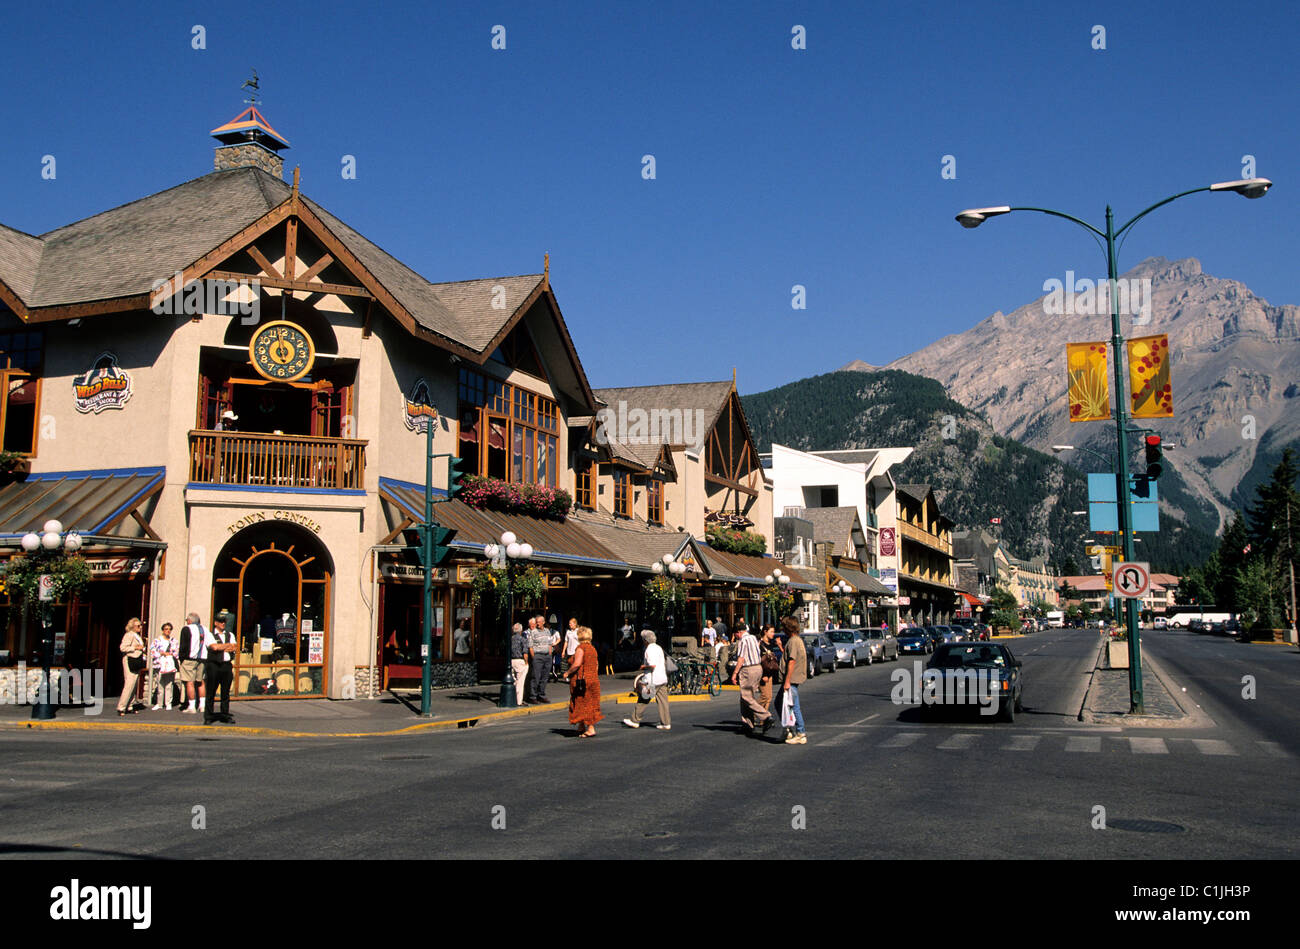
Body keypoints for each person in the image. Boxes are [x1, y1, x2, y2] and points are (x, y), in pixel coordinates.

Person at [623, 630, 670, 730]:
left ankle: (634, 720)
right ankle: (666, 723)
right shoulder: (658, 647)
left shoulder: (649, 649)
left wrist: (643, 667)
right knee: (663, 702)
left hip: (653, 679)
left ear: (645, 640)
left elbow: (652, 665)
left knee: (643, 699)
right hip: (662, 678)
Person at [731, 621, 771, 734]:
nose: (735, 636)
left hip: (748, 669)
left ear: (739, 632)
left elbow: (741, 659)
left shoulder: (743, 641)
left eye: (735, 634)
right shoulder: (753, 638)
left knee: (746, 697)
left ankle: (766, 717)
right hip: (758, 668)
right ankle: (747, 723)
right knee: (745, 697)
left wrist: (735, 673)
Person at [564, 626, 603, 737]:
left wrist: (567, 672)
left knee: (582, 703)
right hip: (593, 680)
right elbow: (596, 665)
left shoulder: (581, 648)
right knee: (589, 703)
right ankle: (581, 726)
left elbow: (577, 664)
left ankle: (590, 728)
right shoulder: (593, 649)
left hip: (582, 681)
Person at [203, 612, 239, 725]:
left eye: (224, 622)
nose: (223, 623)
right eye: (220, 621)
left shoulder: (230, 635)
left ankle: (225, 715)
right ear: (215, 623)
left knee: (225, 692)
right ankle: (208, 716)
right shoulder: (210, 635)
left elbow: (235, 647)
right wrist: (226, 646)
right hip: (214, 665)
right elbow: (213, 647)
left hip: (226, 666)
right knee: (211, 692)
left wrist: (222, 647)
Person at [781, 616, 808, 744]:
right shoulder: (797, 640)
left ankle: (800, 732)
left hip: (792, 679)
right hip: (794, 678)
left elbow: (791, 661)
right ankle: (788, 729)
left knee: (794, 705)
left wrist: (787, 681)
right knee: (781, 703)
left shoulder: (793, 641)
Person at [176, 612, 208, 713]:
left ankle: (191, 706)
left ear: (189, 620)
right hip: (202, 659)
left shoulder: (187, 629)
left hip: (189, 659)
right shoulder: (205, 629)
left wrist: (181, 659)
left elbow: (184, 645)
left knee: (189, 683)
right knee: (201, 682)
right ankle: (202, 705)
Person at [116, 617, 146, 716]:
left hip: (136, 660)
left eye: (140, 625)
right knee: (129, 684)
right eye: (138, 626)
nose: (140, 627)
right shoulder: (129, 635)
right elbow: (123, 647)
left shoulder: (136, 635)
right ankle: (121, 707)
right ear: (132, 626)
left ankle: (130, 705)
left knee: (134, 685)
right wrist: (135, 647)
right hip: (130, 660)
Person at [150, 622, 178, 710]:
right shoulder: (157, 640)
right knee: (160, 684)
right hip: (160, 665)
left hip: (170, 664)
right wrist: (161, 653)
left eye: (169, 629)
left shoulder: (174, 641)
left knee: (169, 684)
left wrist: (170, 654)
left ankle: (168, 703)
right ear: (162, 630)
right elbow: (152, 651)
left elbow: (176, 652)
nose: (168, 631)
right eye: (166, 629)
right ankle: (159, 703)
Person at [757, 624, 784, 716]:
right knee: (764, 696)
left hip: (770, 673)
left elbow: (784, 654)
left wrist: (779, 645)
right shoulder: (760, 644)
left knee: (769, 698)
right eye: (771, 632)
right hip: (763, 674)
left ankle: (763, 719)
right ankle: (752, 712)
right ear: (765, 632)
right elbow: (759, 661)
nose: (773, 634)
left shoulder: (771, 643)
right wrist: (763, 675)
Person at [526, 617, 551, 704]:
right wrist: (534, 657)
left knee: (545, 677)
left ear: (543, 622)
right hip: (538, 656)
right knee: (535, 677)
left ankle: (542, 695)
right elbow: (530, 646)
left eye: (539, 622)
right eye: (536, 622)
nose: (537, 624)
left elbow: (550, 643)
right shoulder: (533, 632)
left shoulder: (547, 631)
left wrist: (549, 654)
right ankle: (533, 696)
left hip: (547, 656)